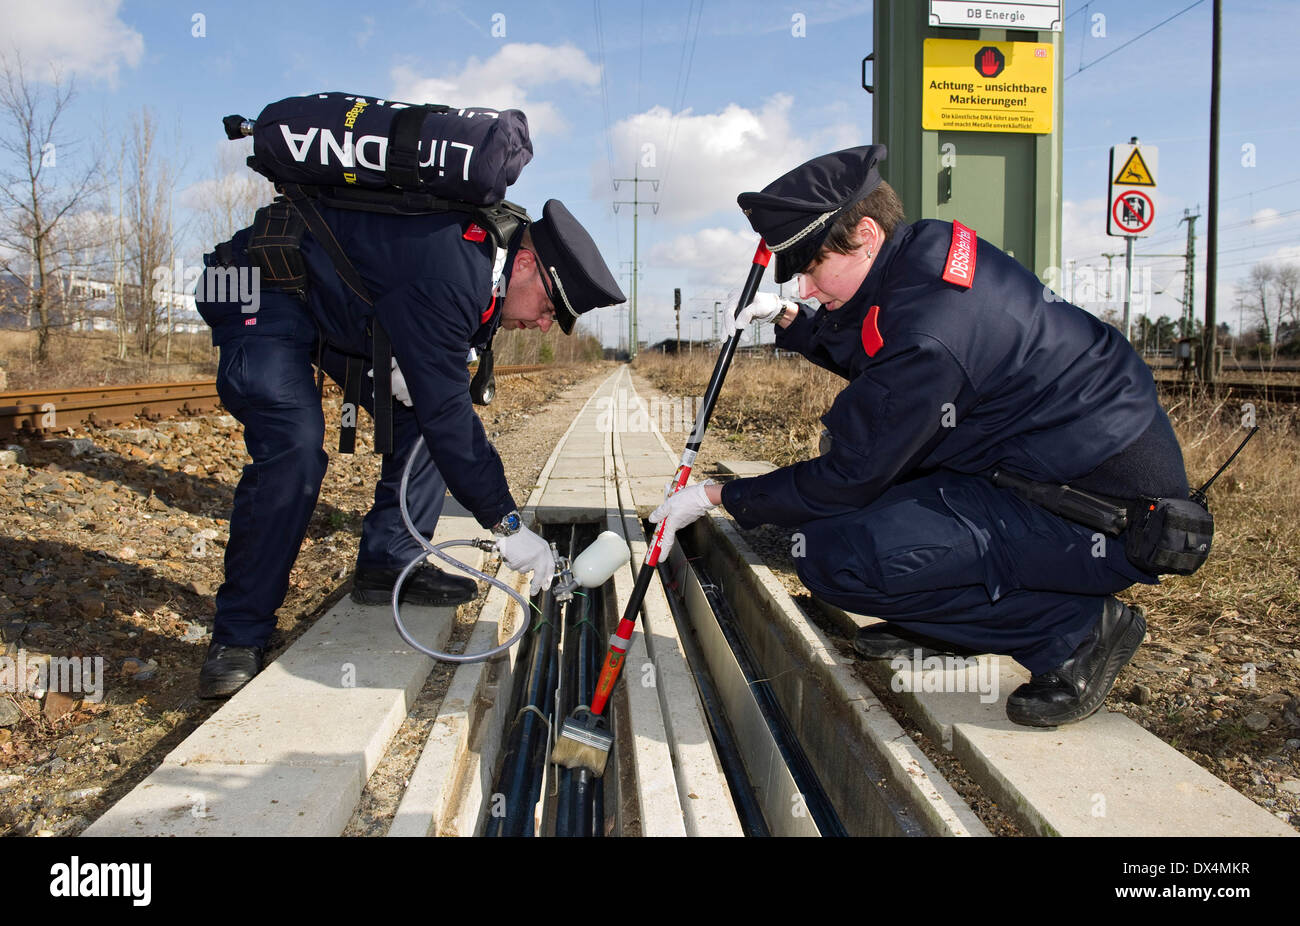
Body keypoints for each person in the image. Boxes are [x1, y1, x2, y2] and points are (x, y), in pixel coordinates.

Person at [651, 145, 1191, 728]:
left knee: (835, 557)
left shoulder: (935, 328)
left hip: (1097, 516)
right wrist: (793, 321)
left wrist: (716, 496)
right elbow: (884, 349)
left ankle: (1073, 632)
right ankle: (944, 623)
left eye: (809, 268)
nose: (806, 287)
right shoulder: (925, 249)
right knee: (854, 512)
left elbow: (852, 470)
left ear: (864, 233)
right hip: (1047, 471)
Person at [196, 198, 625, 699]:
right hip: (259, 282)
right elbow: (452, 420)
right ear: (525, 264)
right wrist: (507, 524)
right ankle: (238, 634)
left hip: (331, 303)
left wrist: (410, 366)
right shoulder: (457, 273)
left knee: (421, 423)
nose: (544, 324)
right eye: (549, 308)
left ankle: (390, 562)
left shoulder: (484, 275)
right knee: (294, 444)